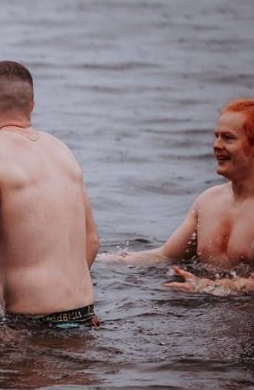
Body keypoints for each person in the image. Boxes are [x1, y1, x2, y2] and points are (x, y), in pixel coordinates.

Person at [0, 61, 99, 333]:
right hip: (86, 316)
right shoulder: (62, 150)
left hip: (32, 325)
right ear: (32, 106)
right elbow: (92, 240)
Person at [97, 98, 254, 295]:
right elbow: (164, 256)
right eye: (216, 136)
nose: (216, 145)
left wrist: (212, 287)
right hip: (204, 307)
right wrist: (99, 260)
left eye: (228, 138)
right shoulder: (209, 201)